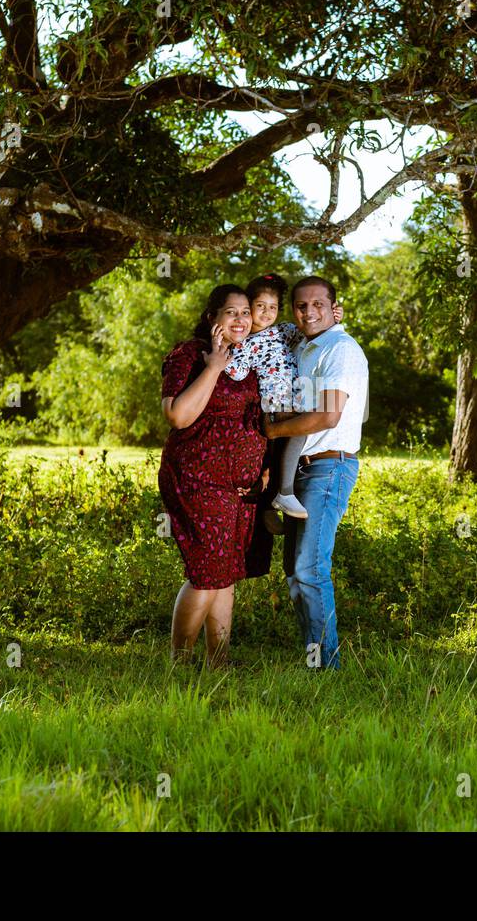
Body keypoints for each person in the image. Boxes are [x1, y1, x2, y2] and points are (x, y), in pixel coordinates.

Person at [158, 284, 267, 667]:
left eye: (245, 312)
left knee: (226, 573)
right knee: (207, 572)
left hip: (240, 488)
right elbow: (178, 416)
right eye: (231, 312)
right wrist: (214, 367)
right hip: (197, 479)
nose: (240, 319)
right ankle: (179, 662)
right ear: (212, 318)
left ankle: (218, 662)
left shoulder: (254, 356)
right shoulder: (189, 355)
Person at [263, 275, 368, 670]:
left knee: (310, 566)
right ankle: (314, 658)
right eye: (301, 306)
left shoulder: (340, 348)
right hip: (300, 470)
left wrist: (272, 430)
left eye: (318, 304)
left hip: (328, 466)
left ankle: (328, 665)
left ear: (333, 306)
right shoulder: (305, 347)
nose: (309, 312)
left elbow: (328, 414)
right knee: (294, 569)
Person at [224, 273, 344, 520]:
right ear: (249, 308)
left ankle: (269, 506)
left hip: (296, 393)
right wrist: (220, 352)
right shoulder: (245, 344)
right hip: (278, 398)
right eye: (260, 307)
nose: (267, 313)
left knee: (280, 451)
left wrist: (333, 319)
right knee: (298, 434)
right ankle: (285, 492)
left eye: (273, 307)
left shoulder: (284, 330)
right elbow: (235, 373)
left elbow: (312, 334)